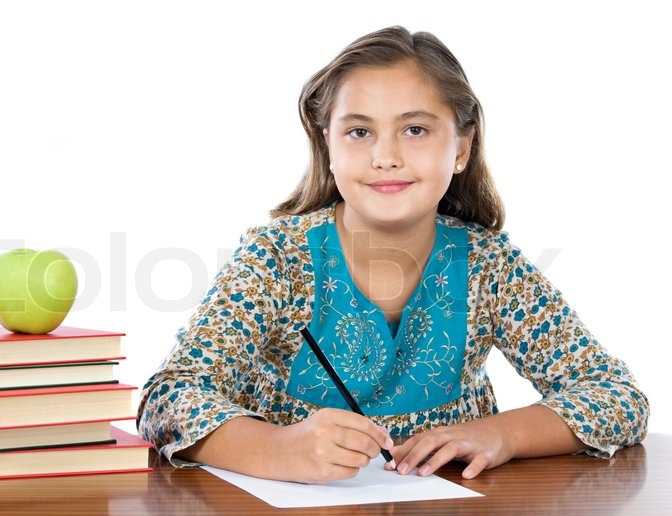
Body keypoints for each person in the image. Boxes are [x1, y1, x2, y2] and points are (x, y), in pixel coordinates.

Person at [137, 25, 649, 484]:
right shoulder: (276, 259)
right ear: (328, 146)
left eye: (416, 130)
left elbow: (617, 396)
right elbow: (167, 399)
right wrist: (276, 449)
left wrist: (504, 434)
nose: (386, 156)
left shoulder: (490, 267)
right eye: (359, 132)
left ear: (462, 148)